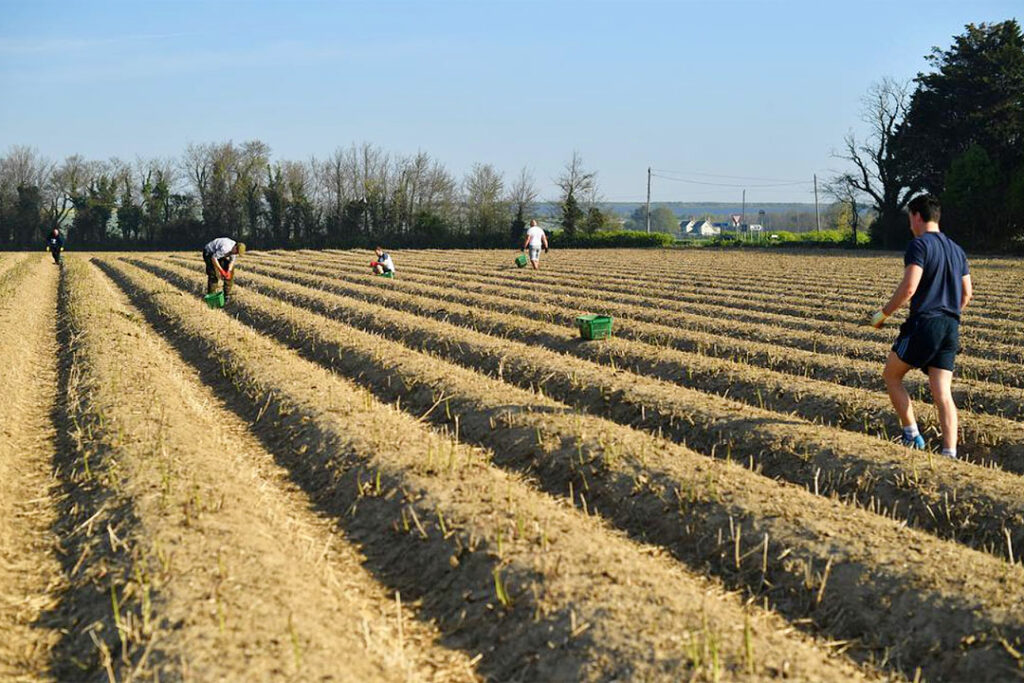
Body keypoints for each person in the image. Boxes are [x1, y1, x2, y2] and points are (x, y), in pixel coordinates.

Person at [870, 194, 972, 458]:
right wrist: (948, 313)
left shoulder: (919, 245)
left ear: (917, 216)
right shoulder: (956, 249)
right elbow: (967, 293)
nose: (909, 225)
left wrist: (883, 314)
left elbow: (910, 287)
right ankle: (950, 453)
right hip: (950, 327)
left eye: (909, 219)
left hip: (925, 323)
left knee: (891, 376)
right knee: (942, 392)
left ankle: (912, 435)